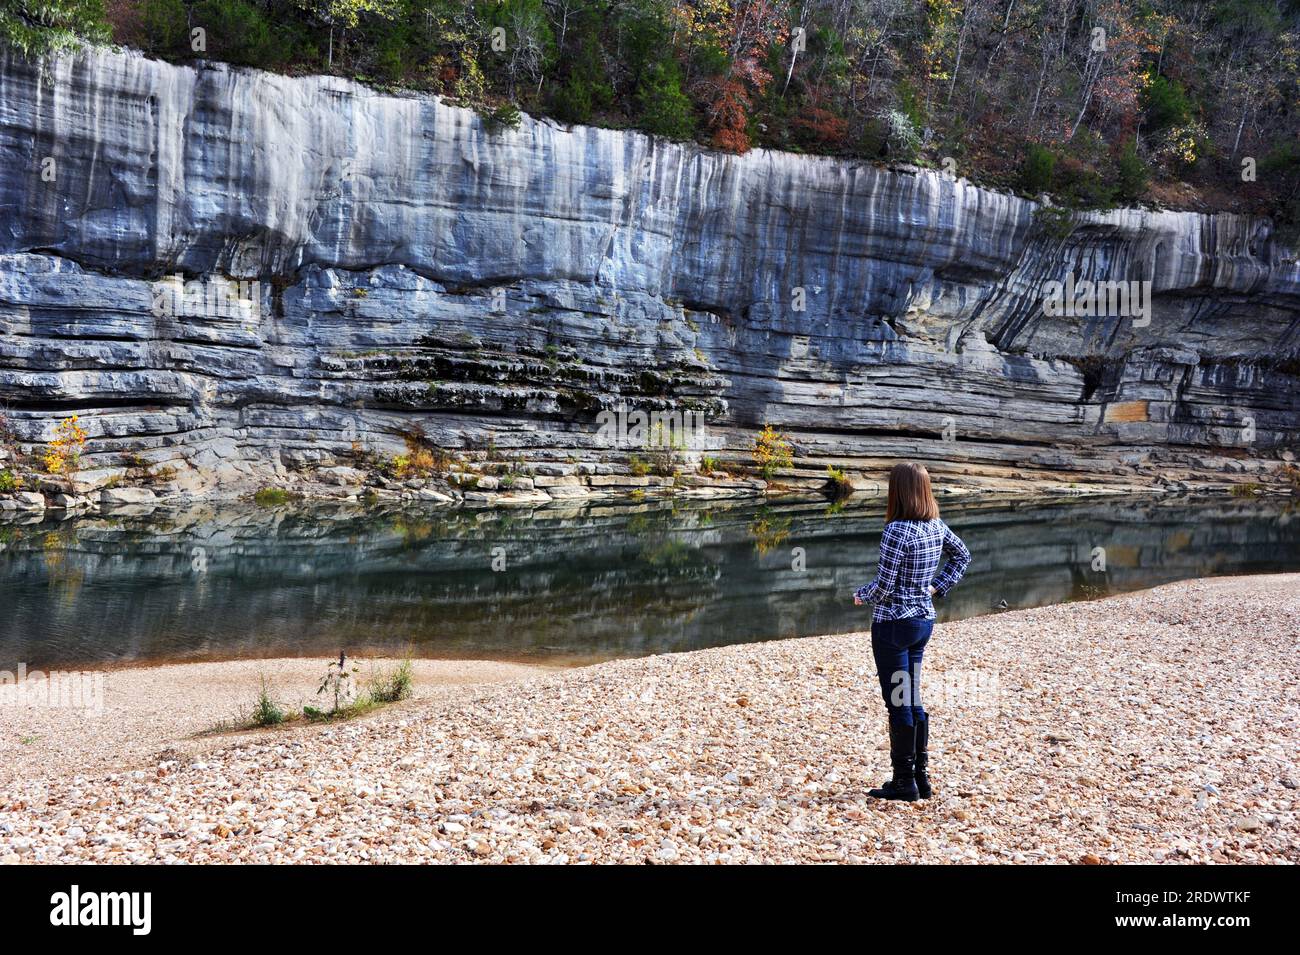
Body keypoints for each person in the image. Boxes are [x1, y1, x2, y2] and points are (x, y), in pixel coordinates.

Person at [854, 463, 971, 801]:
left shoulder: (896, 531)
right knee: (912, 695)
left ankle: (904, 782)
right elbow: (962, 557)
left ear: (898, 491)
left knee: (898, 700)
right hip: (922, 622)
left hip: (893, 624)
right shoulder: (935, 525)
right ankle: (921, 777)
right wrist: (937, 587)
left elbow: (884, 585)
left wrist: (861, 594)